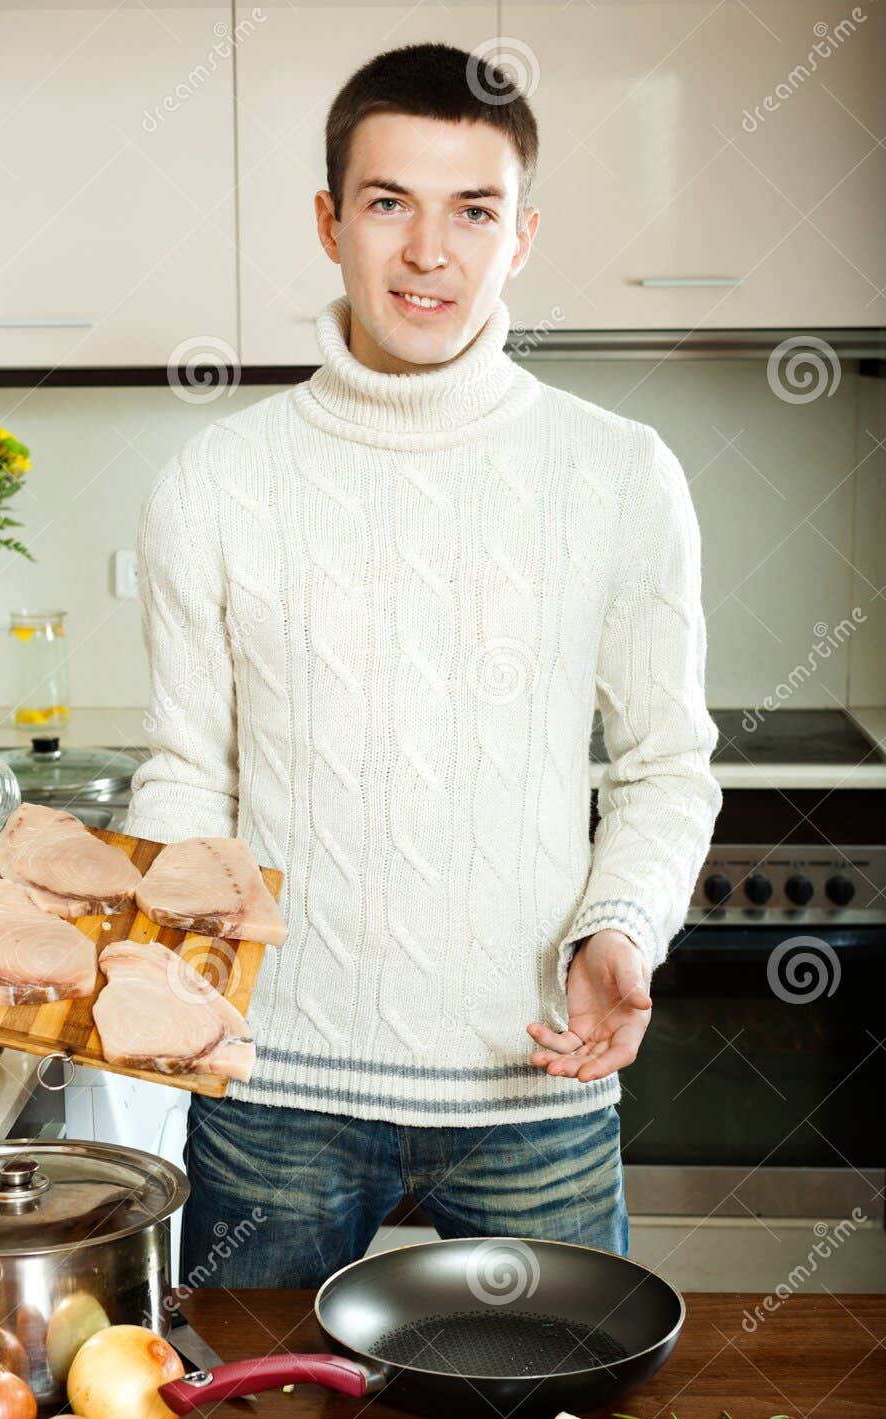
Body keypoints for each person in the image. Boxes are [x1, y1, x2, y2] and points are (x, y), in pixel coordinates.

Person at [125, 42, 722, 1288]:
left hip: (535, 1088)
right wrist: (165, 956)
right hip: (275, 1092)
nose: (428, 251)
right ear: (330, 219)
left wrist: (622, 925)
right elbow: (191, 773)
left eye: (474, 209)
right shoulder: (216, 484)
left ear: (525, 233)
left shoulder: (618, 474)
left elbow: (667, 767)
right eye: (390, 202)